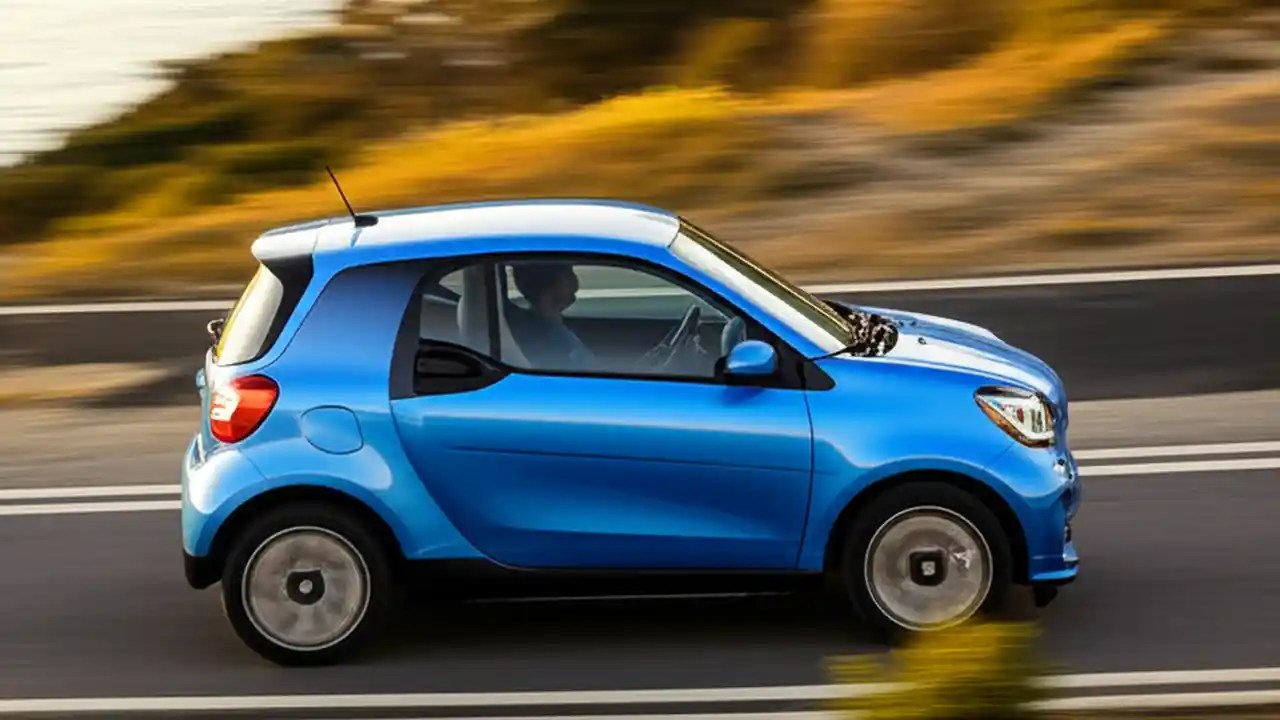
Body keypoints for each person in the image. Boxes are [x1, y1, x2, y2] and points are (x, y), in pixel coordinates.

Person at [507, 261, 595, 370]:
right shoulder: (550, 345)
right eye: (569, 273)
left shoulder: (538, 328)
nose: (575, 281)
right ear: (558, 282)